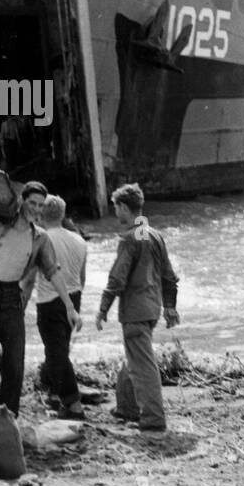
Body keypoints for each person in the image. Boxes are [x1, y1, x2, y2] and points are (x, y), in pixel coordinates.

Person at [0, 174, 80, 423]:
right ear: (21, 202)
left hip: (11, 298)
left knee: (14, 363)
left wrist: (69, 307)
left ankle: (8, 416)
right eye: (32, 203)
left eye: (41, 205)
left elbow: (53, 271)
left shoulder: (39, 238)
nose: (36, 209)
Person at [96, 184, 179, 434]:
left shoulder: (131, 238)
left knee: (142, 365)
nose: (115, 213)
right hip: (151, 308)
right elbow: (169, 276)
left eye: (116, 208)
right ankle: (127, 408)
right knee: (135, 358)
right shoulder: (153, 234)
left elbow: (117, 279)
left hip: (135, 310)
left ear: (123, 207)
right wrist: (170, 307)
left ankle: (153, 417)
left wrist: (102, 309)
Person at [35, 195, 87, 419]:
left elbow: (29, 277)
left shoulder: (39, 238)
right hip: (74, 297)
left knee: (56, 352)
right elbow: (82, 277)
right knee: (60, 349)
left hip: (50, 300)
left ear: (40, 215)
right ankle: (52, 387)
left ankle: (73, 403)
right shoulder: (79, 240)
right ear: (63, 214)